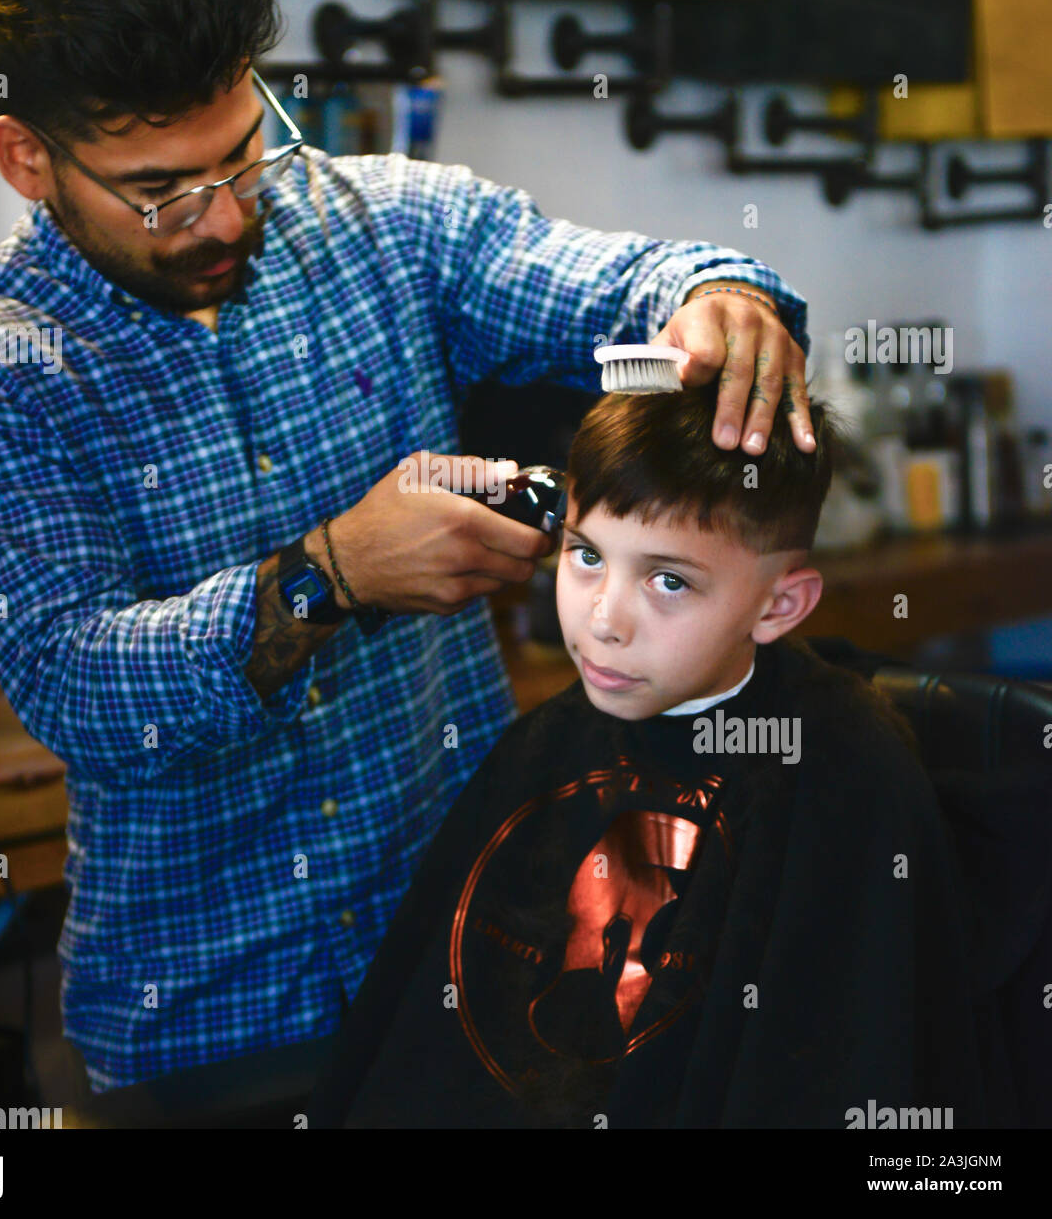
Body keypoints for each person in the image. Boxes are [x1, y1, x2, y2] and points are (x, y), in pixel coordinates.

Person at [0, 0, 816, 1094]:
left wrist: (717, 298)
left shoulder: (391, 228)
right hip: (210, 1020)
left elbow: (621, 278)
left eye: (243, 155)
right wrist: (336, 576)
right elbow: (81, 692)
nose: (223, 217)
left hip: (469, 956)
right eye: (162, 193)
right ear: (25, 156)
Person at [307, 381, 1007, 1128]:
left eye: (668, 580)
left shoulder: (843, 772)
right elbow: (413, 1053)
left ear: (779, 606)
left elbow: (822, 1072)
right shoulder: (549, 739)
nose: (604, 619)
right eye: (585, 555)